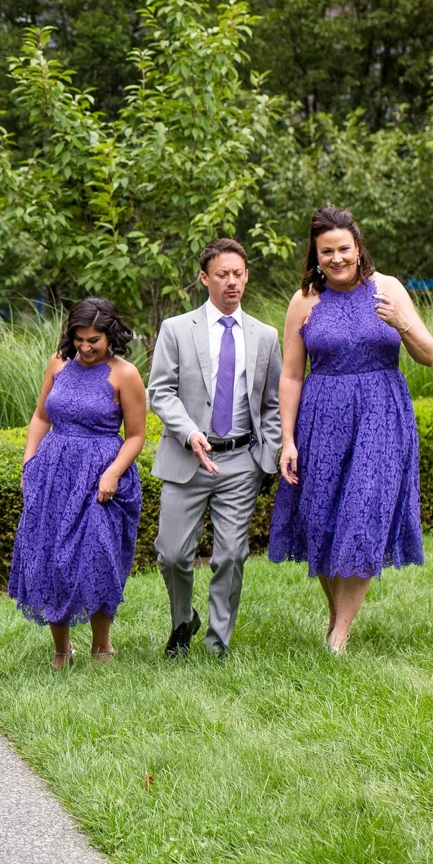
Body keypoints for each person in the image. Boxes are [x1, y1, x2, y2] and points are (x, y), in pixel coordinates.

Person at [270, 207, 433, 653]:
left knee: (364, 514)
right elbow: (291, 375)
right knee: (321, 519)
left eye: (344, 249)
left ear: (358, 248)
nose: (337, 258)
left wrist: (401, 323)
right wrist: (288, 440)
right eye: (327, 252)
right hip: (321, 419)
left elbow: (429, 354)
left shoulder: (389, 288)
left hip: (381, 416)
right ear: (316, 256)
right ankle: (337, 613)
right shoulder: (304, 301)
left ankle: (339, 634)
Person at [146, 239, 282, 659]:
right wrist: (189, 432)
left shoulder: (265, 336)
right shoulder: (176, 329)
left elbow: (273, 404)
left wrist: (266, 458)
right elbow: (160, 391)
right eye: (222, 274)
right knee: (171, 555)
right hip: (185, 458)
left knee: (231, 555)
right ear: (204, 278)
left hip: (240, 461)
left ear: (247, 276)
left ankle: (218, 643)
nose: (231, 282)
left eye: (238, 274)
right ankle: (182, 620)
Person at [9, 297, 148, 670]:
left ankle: (101, 646)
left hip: (102, 477)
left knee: (98, 558)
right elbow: (41, 417)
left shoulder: (125, 374)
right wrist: (29, 463)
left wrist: (112, 472)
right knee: (53, 558)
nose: (86, 348)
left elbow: (136, 435)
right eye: (80, 339)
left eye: (94, 341)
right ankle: (61, 649)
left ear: (110, 336)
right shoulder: (58, 363)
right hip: (54, 473)